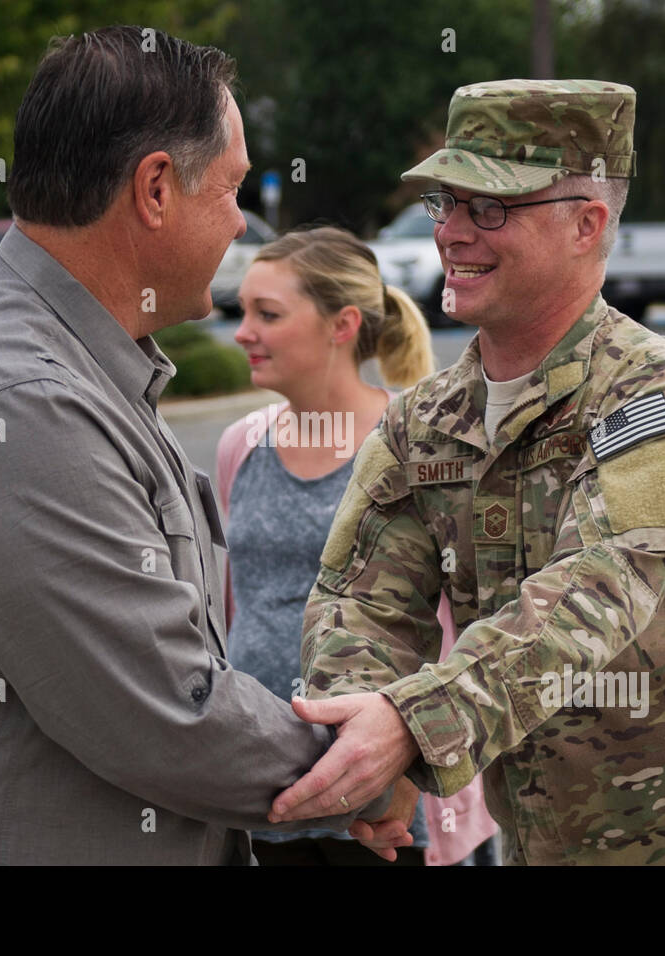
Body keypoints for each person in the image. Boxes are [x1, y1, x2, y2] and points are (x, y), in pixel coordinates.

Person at [268, 79, 665, 866]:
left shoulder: (660, 392)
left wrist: (414, 726)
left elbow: (600, 586)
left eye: (492, 209)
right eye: (447, 202)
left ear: (588, 224)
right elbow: (358, 601)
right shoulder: (423, 422)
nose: (453, 235)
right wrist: (366, 747)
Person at [0, 26, 391, 866]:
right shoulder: (26, 405)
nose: (242, 222)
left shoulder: (69, 362)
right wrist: (372, 763)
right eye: (233, 188)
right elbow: (168, 715)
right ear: (158, 189)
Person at [217, 226, 450, 865]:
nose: (242, 332)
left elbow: (460, 625)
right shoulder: (241, 444)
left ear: (341, 324)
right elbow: (238, 609)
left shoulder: (416, 444)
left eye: (268, 313)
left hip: (382, 811)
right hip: (261, 795)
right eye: (243, 312)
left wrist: (411, 765)